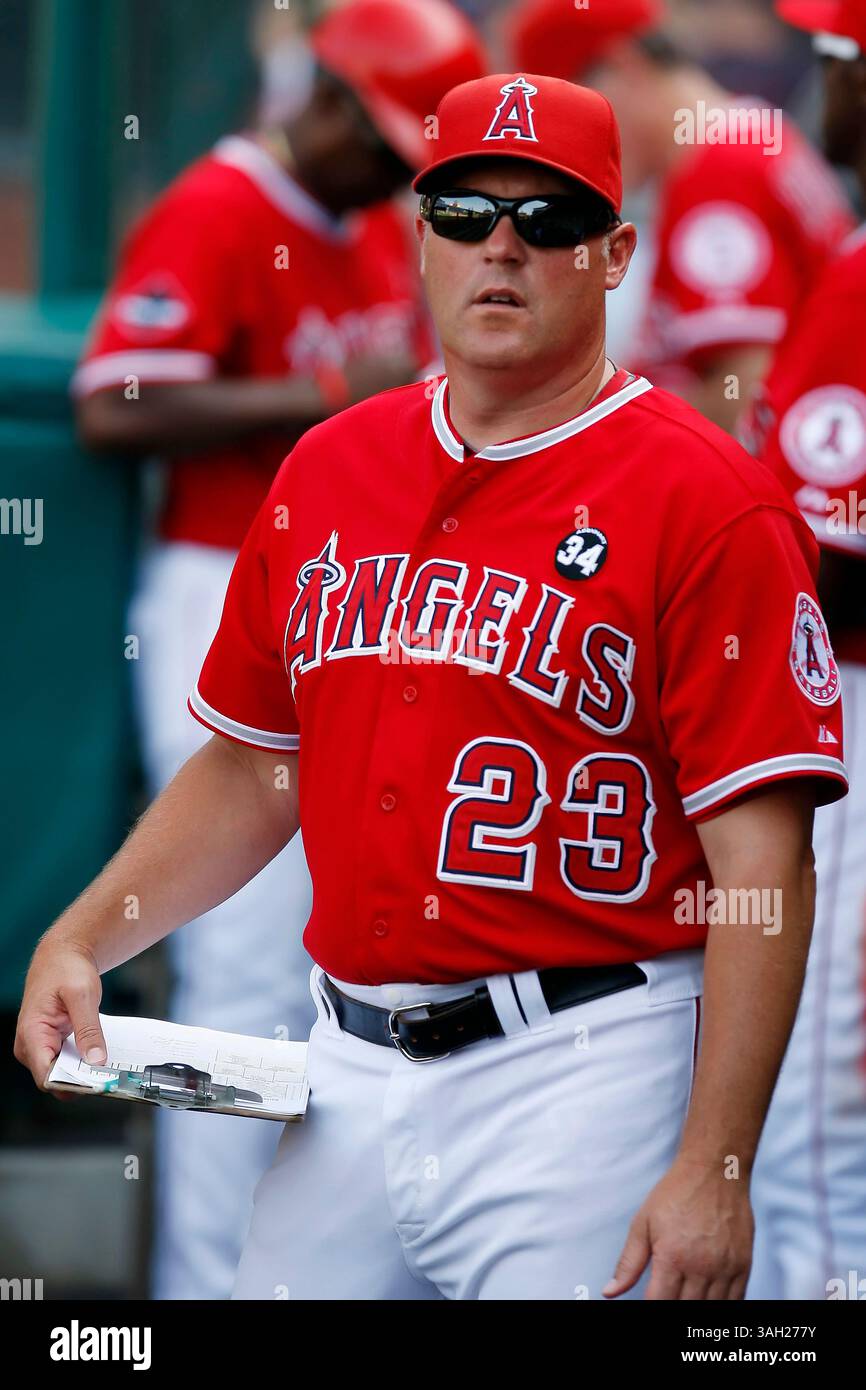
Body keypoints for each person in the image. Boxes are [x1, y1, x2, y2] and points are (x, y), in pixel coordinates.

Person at [20, 71, 848, 1301]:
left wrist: (714, 1160)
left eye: (546, 217)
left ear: (614, 253)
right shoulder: (328, 466)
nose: (499, 247)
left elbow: (760, 867)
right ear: (419, 237)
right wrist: (90, 930)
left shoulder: (707, 500)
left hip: (586, 1062)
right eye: (463, 210)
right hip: (343, 1068)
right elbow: (257, 764)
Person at [70, 0, 487, 1300]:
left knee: (321, 972)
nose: (393, 175)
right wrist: (317, 400)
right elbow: (111, 396)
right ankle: (201, 1287)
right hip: (216, 587)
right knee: (235, 977)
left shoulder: (366, 225)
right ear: (335, 100)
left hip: (347, 610)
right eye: (387, 142)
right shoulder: (221, 203)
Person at [740, 0, 866, 1301]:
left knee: (815, 1105)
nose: (821, 93)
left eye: (829, 64)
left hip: (847, 704)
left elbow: (821, 564)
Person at [507, 0, 854, 432]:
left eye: (570, 120)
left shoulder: (716, 171)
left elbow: (744, 389)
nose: (570, 152)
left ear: (624, 64)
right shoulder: (746, 133)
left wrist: (598, 444)